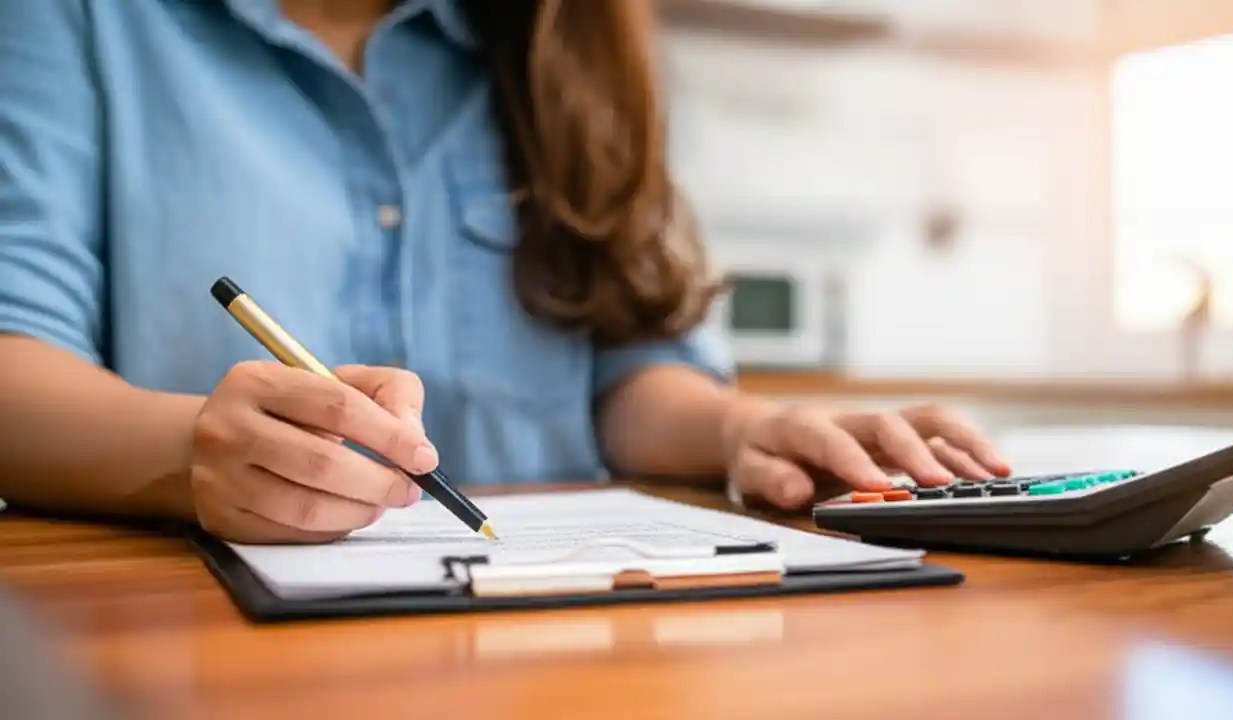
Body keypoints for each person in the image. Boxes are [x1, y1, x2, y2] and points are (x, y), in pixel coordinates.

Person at [0, 0, 1010, 544]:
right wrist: (194, 452)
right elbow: (15, 368)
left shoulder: (569, 40)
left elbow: (627, 375)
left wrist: (741, 428)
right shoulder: (75, 21)